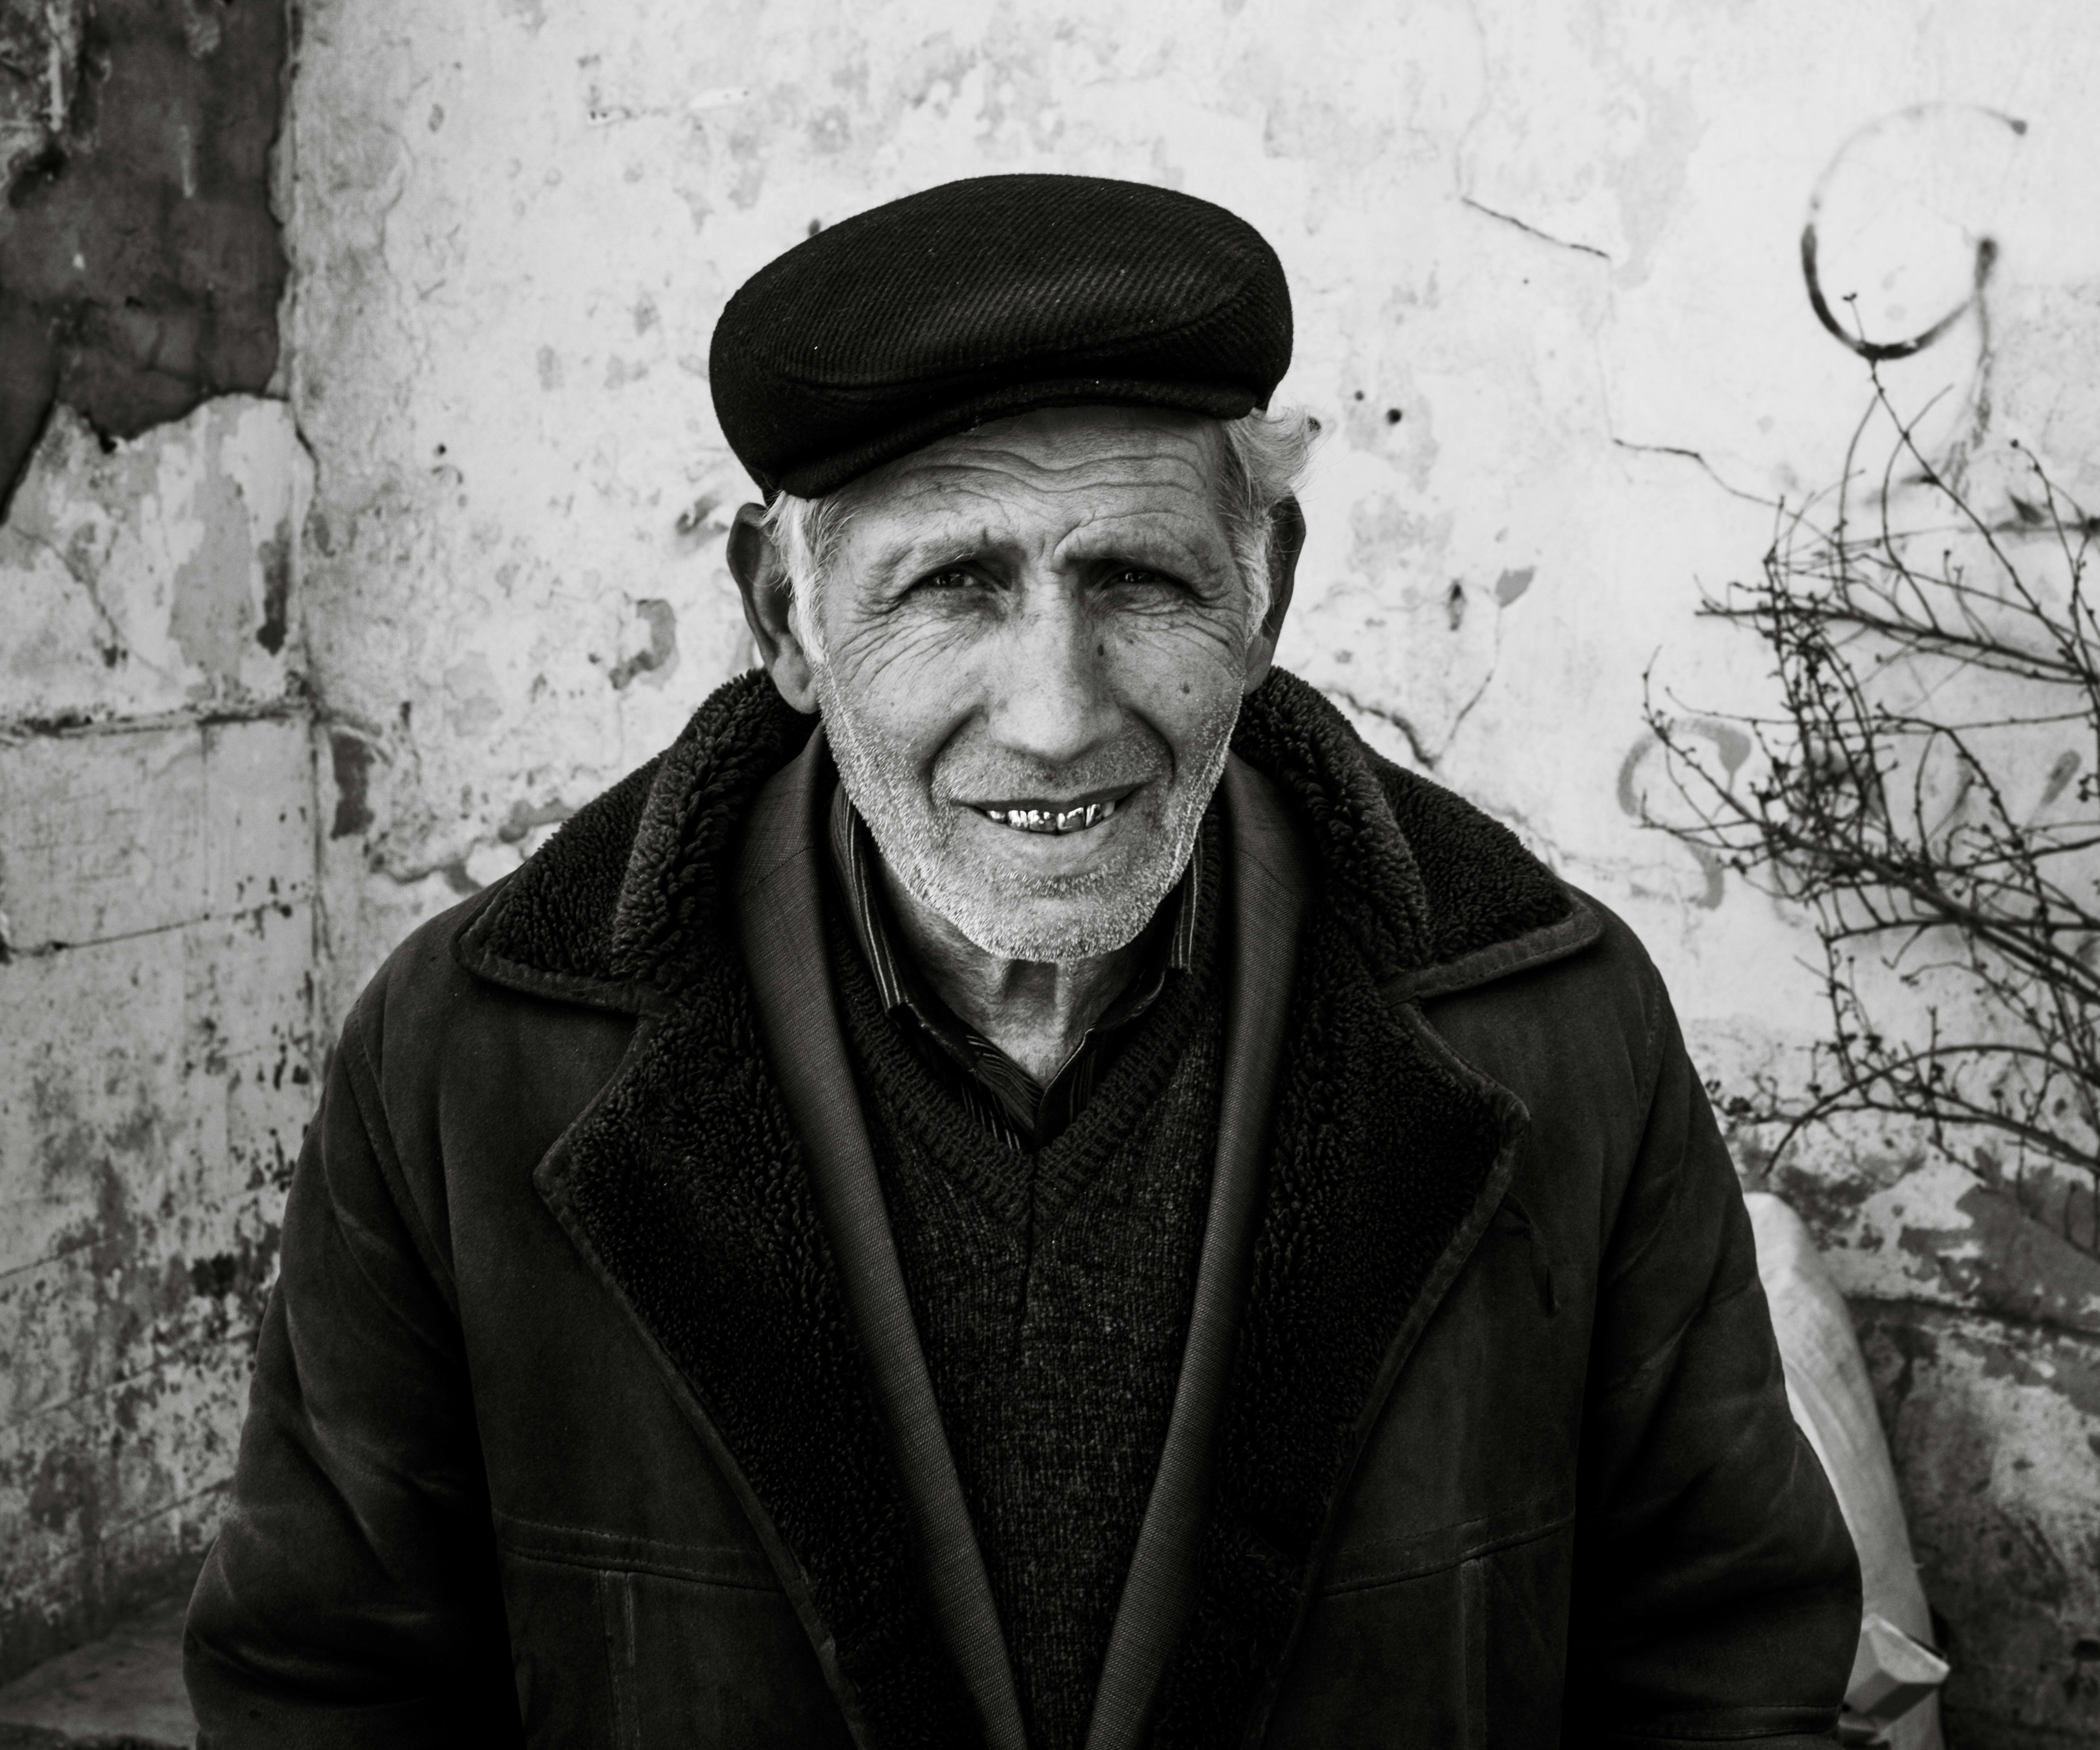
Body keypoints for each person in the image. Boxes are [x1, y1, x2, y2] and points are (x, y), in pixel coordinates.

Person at [183, 173, 1860, 1748]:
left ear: (1266, 592)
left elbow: (1724, 1660)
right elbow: (329, 1688)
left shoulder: (1553, 1031)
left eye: (1136, 577)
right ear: (785, 615)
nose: (1057, 716)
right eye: (953, 585)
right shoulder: (473, 1062)